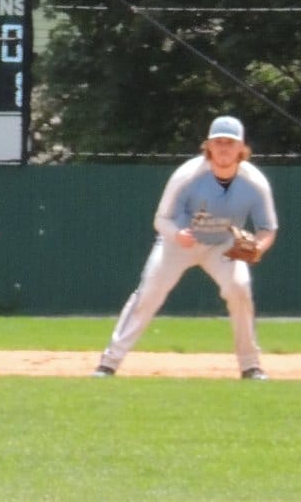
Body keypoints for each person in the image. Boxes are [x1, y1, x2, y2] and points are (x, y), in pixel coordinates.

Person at [95, 115, 279, 380]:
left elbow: (268, 228)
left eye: (231, 142)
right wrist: (176, 234)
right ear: (208, 146)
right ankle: (109, 362)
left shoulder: (255, 181)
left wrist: (259, 247)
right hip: (180, 242)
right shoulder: (188, 175)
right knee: (148, 294)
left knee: (239, 288)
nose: (224, 148)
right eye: (218, 142)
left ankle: (251, 365)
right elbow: (160, 219)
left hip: (224, 245)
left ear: (242, 148)